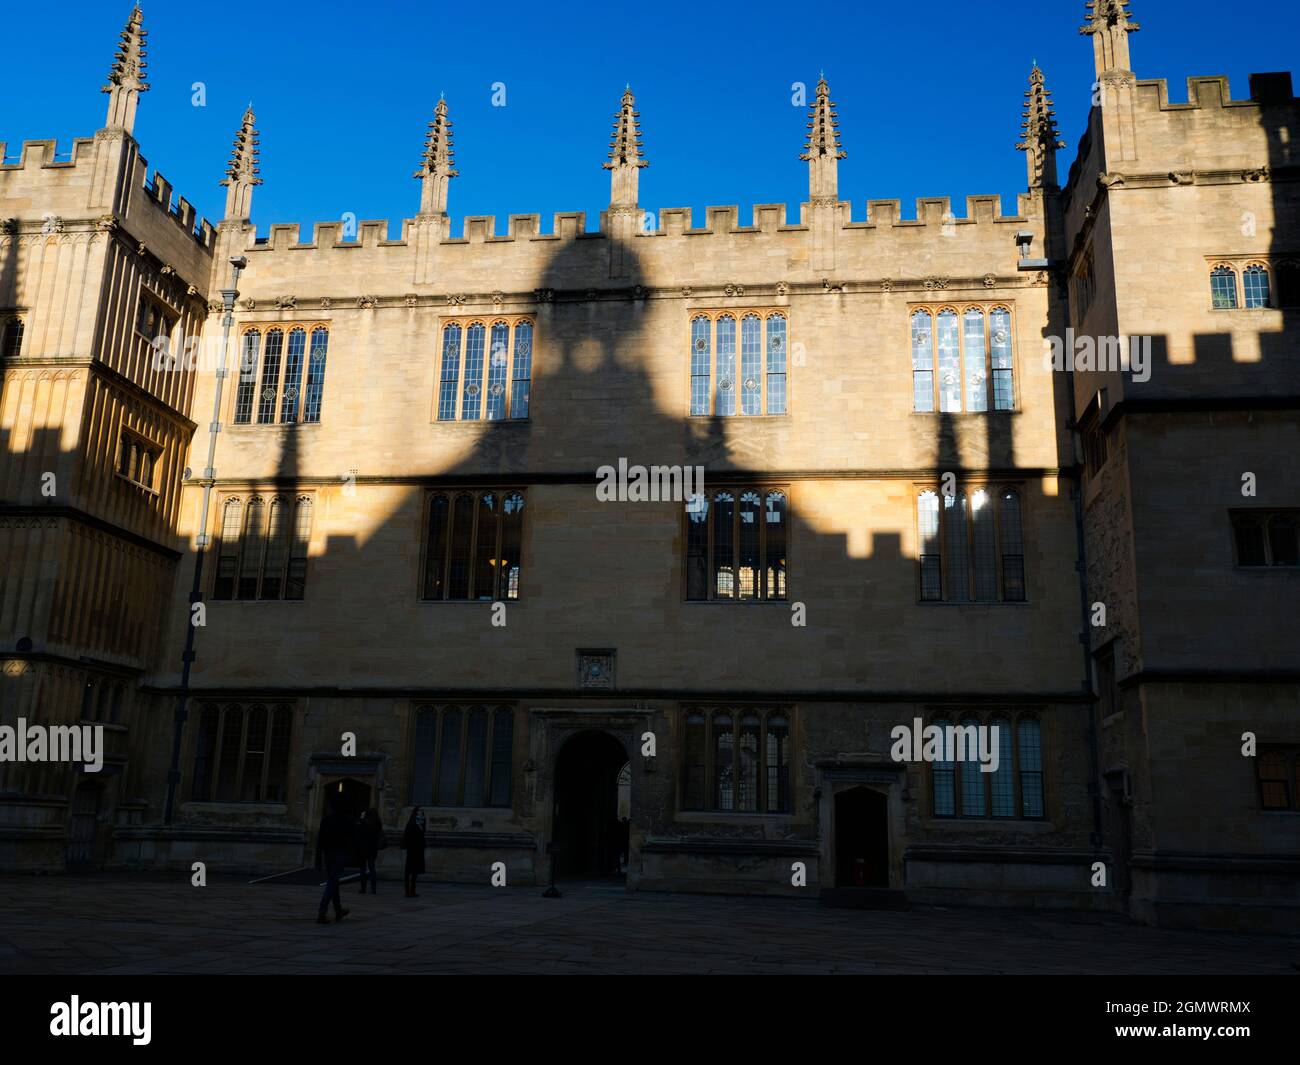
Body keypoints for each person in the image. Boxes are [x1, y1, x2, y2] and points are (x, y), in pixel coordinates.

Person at [315, 793, 356, 924]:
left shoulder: (326, 820)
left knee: (334, 882)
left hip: (328, 855)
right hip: (340, 854)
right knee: (333, 882)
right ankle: (322, 912)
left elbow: (320, 841)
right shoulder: (348, 820)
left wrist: (318, 859)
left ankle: (338, 910)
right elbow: (352, 839)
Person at [357, 808, 385, 894]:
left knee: (363, 869)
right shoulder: (377, 823)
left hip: (364, 848)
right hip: (373, 848)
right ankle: (373, 889)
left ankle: (363, 888)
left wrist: (361, 818)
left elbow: (358, 832)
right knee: (372, 868)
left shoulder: (364, 823)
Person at [402, 807, 426, 897]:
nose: (422, 812)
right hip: (412, 850)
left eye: (422, 811)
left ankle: (413, 890)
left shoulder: (423, 822)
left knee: (415, 871)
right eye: (420, 810)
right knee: (408, 871)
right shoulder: (412, 822)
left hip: (419, 850)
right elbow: (407, 835)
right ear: (416, 812)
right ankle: (407, 891)